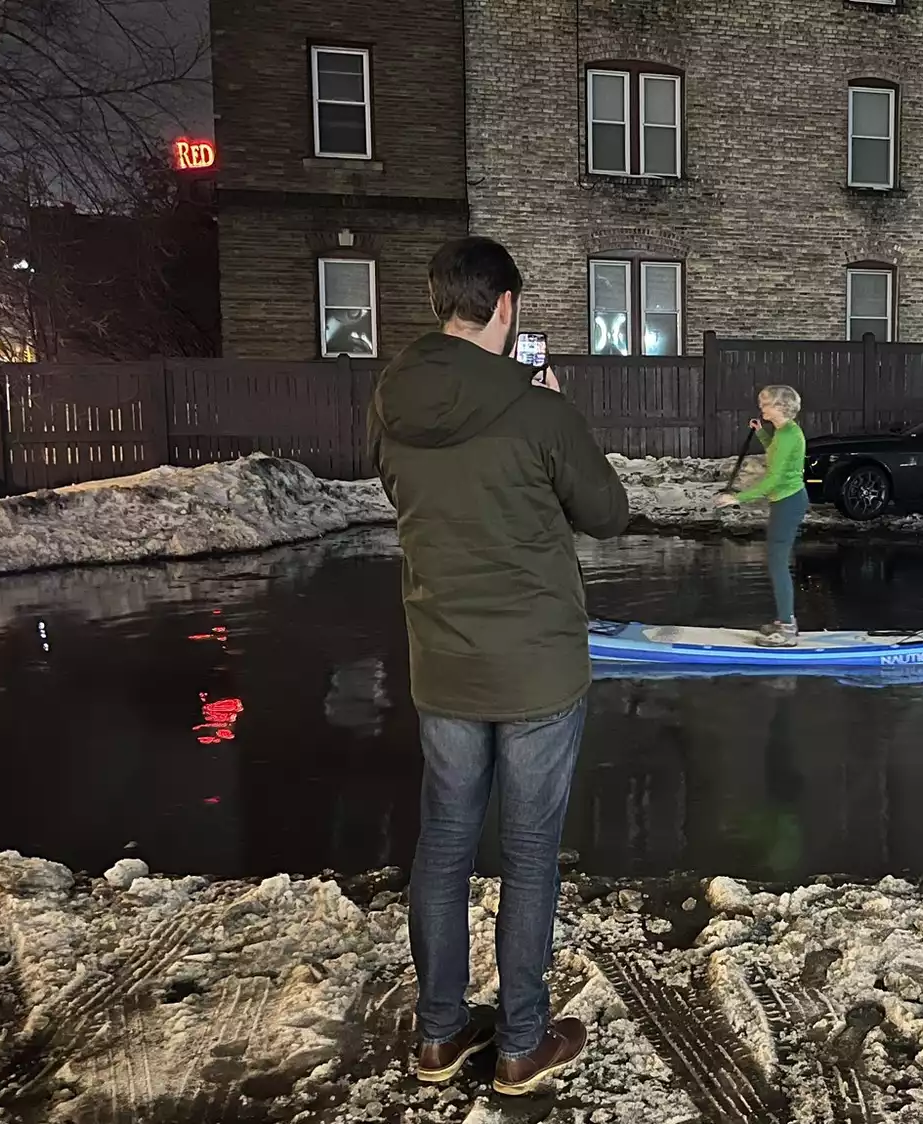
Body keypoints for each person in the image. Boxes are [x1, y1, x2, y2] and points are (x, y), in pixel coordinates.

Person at [369, 236, 628, 1095]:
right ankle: (522, 1043)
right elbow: (607, 513)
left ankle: (439, 1038)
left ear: (441, 302)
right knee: (528, 852)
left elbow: (409, 498)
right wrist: (556, 411)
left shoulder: (392, 403)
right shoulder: (536, 406)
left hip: (443, 661)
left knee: (442, 847)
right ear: (506, 306)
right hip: (538, 672)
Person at [714, 385, 807, 647]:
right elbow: (775, 453)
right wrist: (761, 434)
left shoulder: (789, 435)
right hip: (785, 501)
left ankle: (787, 628)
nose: (762, 407)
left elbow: (773, 480)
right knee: (776, 561)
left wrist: (736, 498)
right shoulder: (783, 432)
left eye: (765, 404)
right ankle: (784, 619)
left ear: (780, 407)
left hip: (788, 502)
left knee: (778, 564)